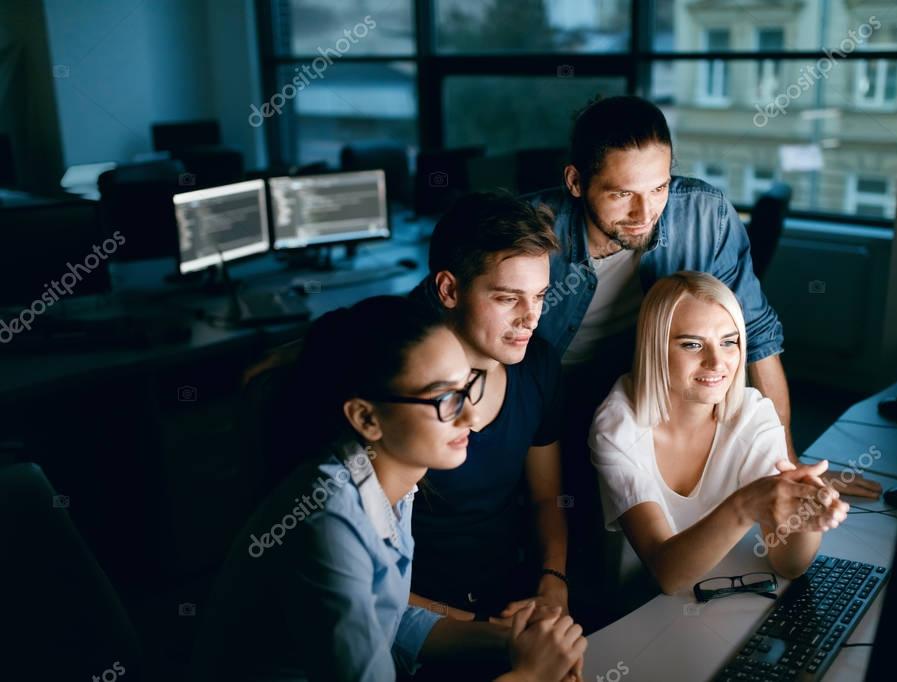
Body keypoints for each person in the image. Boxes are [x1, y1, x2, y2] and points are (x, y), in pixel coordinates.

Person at [190, 296, 586, 682]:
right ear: (366, 417)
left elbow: (392, 616)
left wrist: (513, 640)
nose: (471, 414)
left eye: (467, 388)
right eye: (445, 398)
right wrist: (532, 674)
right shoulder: (326, 524)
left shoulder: (392, 477)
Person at [526, 95, 880, 500]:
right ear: (575, 182)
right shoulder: (530, 232)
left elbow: (757, 335)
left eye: (659, 187)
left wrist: (787, 465)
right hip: (553, 400)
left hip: (652, 393)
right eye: (622, 194)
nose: (645, 212)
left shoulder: (704, 215)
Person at [590, 272, 848, 594]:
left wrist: (808, 510)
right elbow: (666, 574)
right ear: (654, 348)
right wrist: (746, 505)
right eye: (692, 344)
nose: (716, 362)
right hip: (635, 608)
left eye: (729, 342)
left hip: (719, 591)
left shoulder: (753, 414)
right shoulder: (617, 427)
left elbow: (789, 564)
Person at [407, 193, 571, 626]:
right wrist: (478, 631)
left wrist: (553, 579)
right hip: (414, 616)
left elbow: (546, 496)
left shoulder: (539, 365)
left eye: (539, 296)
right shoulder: (400, 392)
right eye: (506, 299)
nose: (530, 317)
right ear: (449, 289)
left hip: (509, 598)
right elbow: (372, 582)